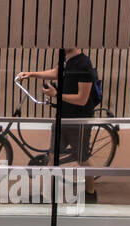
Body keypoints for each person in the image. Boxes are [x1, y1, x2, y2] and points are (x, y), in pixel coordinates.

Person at [16, 48, 101, 201]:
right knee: (53, 156)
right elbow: (56, 72)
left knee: (82, 158)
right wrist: (32, 74)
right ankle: (45, 196)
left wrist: (56, 94)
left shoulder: (83, 65)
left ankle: (90, 193)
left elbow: (82, 99)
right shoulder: (65, 57)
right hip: (62, 116)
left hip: (78, 119)